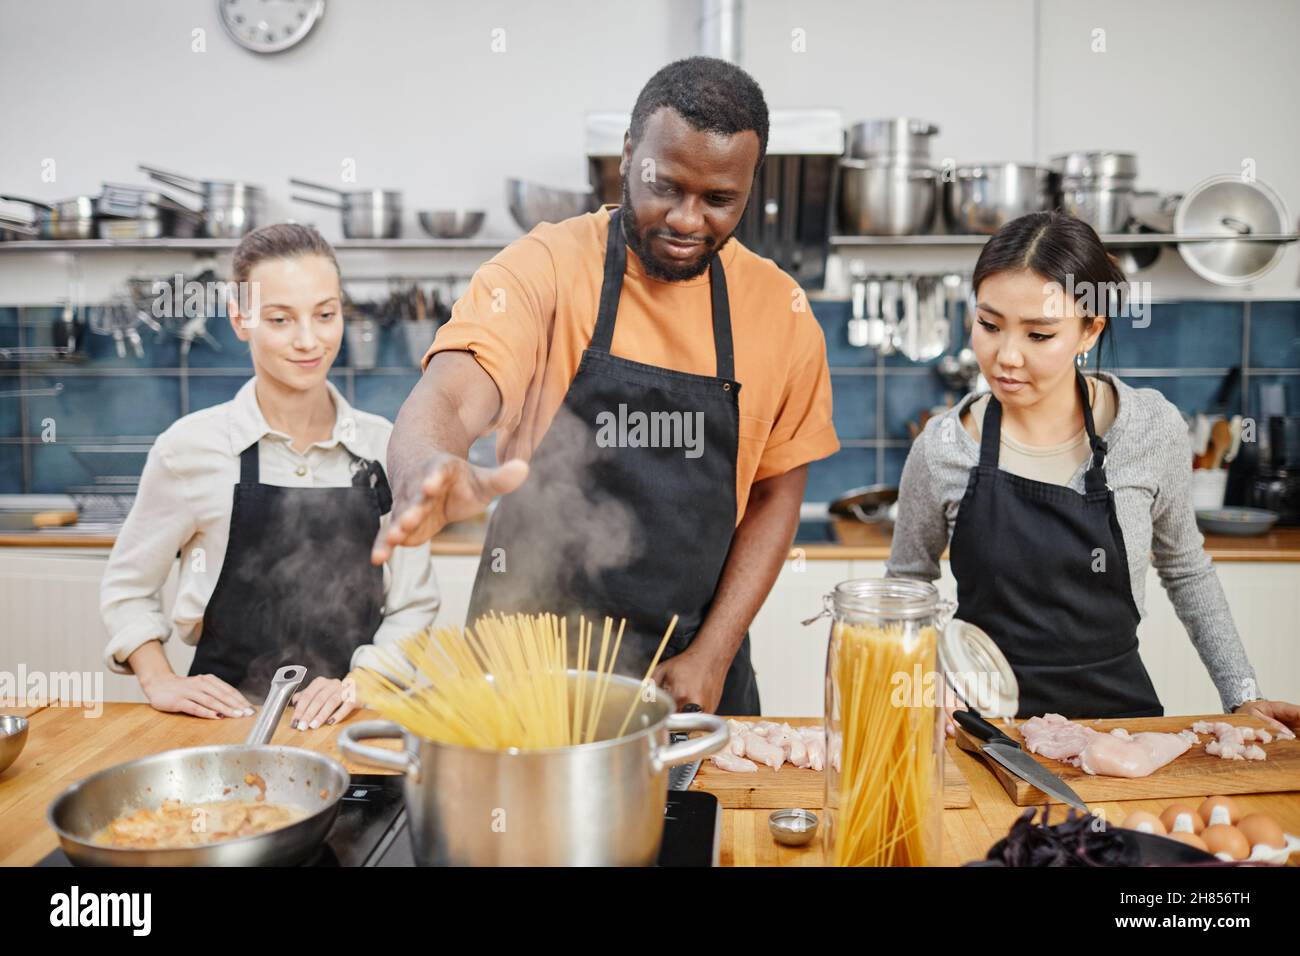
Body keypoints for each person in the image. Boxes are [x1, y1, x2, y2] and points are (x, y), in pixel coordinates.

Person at [372, 57, 839, 714]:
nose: (685, 220)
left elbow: (776, 493)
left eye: (718, 200)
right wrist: (426, 467)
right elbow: (451, 393)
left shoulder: (780, 311)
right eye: (667, 186)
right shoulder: (547, 266)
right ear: (628, 155)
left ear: (749, 185)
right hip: (525, 669)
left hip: (691, 676)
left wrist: (714, 653)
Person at [887, 211, 1299, 734]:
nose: (1005, 356)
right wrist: (923, 679)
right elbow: (905, 585)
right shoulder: (944, 446)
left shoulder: (1149, 428)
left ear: (1090, 329)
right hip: (980, 730)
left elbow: (1185, 567)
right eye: (988, 325)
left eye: (1039, 334)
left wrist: (1242, 696)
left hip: (1120, 728)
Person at [102, 223, 439, 728]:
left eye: (325, 315)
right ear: (241, 319)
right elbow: (128, 588)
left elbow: (413, 606)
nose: (309, 340)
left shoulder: (385, 446)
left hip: (349, 724)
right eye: (280, 319)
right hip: (223, 729)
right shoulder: (189, 450)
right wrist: (160, 679)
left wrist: (360, 683)